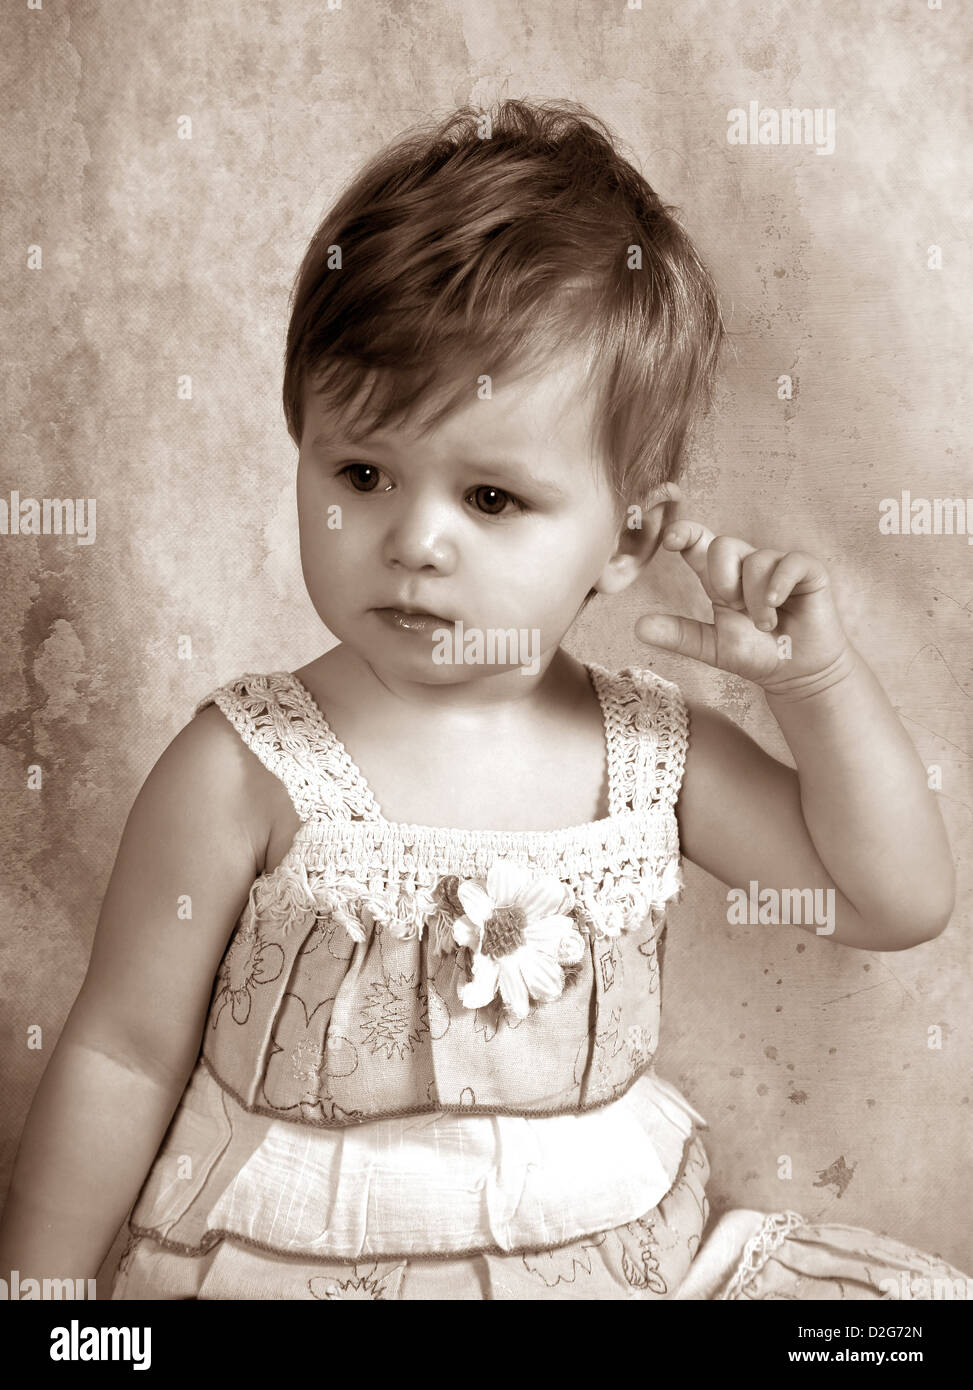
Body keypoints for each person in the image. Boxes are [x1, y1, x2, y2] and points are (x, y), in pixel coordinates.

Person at [1, 98, 968, 1301]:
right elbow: (122, 1051)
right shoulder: (242, 766)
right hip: (296, 1263)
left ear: (627, 538)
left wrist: (816, 688)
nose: (413, 540)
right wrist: (44, 1302)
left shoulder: (650, 756)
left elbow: (895, 901)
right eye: (361, 472)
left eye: (492, 500)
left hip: (605, 1263)